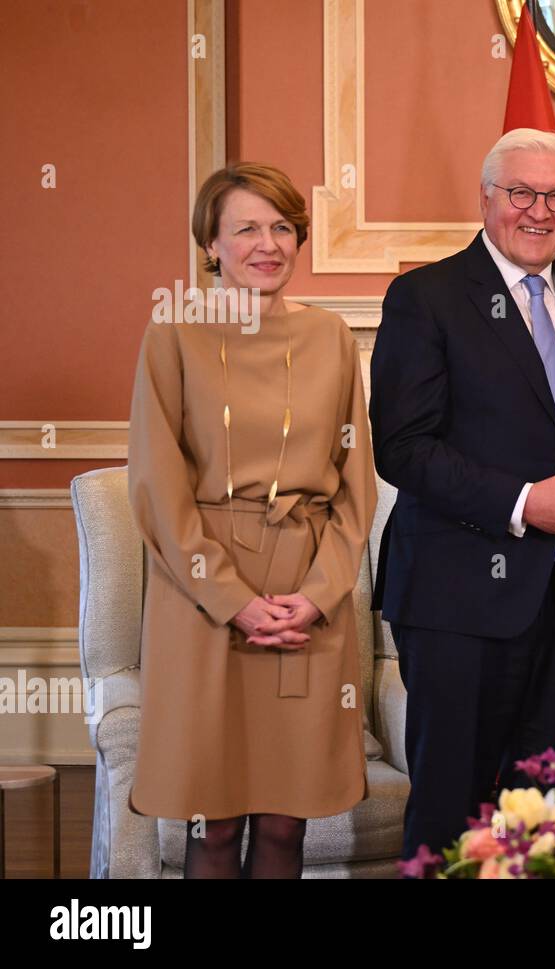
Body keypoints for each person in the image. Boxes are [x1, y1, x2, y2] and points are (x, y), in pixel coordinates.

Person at [370, 129, 555, 863]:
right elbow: (404, 446)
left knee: (549, 811)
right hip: (456, 598)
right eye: (521, 192)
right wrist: (526, 503)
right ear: (487, 197)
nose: (540, 210)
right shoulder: (424, 297)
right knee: (452, 808)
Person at [127, 162, 377, 878]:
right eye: (246, 228)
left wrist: (319, 594)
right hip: (202, 594)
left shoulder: (332, 336)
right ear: (211, 244)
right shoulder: (172, 332)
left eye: (282, 227)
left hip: (306, 599)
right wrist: (234, 601)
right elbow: (156, 482)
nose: (268, 243)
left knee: (283, 824)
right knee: (214, 824)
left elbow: (354, 485)